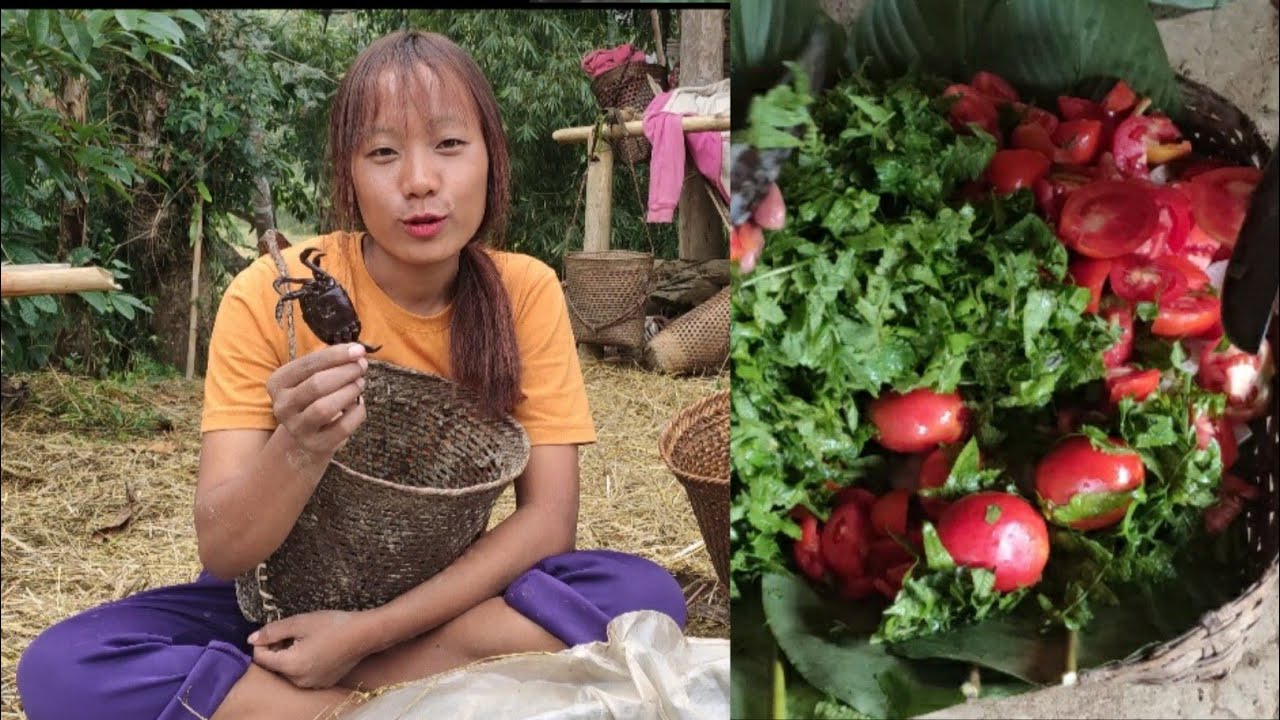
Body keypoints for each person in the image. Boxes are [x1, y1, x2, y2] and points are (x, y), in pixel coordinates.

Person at [16, 30, 687, 720]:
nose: (420, 181)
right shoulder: (268, 294)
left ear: (492, 157)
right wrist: (300, 447)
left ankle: (338, 694)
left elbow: (548, 523)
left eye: (450, 145)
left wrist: (361, 639)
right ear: (347, 173)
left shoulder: (525, 291)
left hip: (439, 601)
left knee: (641, 593)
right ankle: (361, 700)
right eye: (383, 152)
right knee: (62, 669)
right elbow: (222, 549)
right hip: (277, 608)